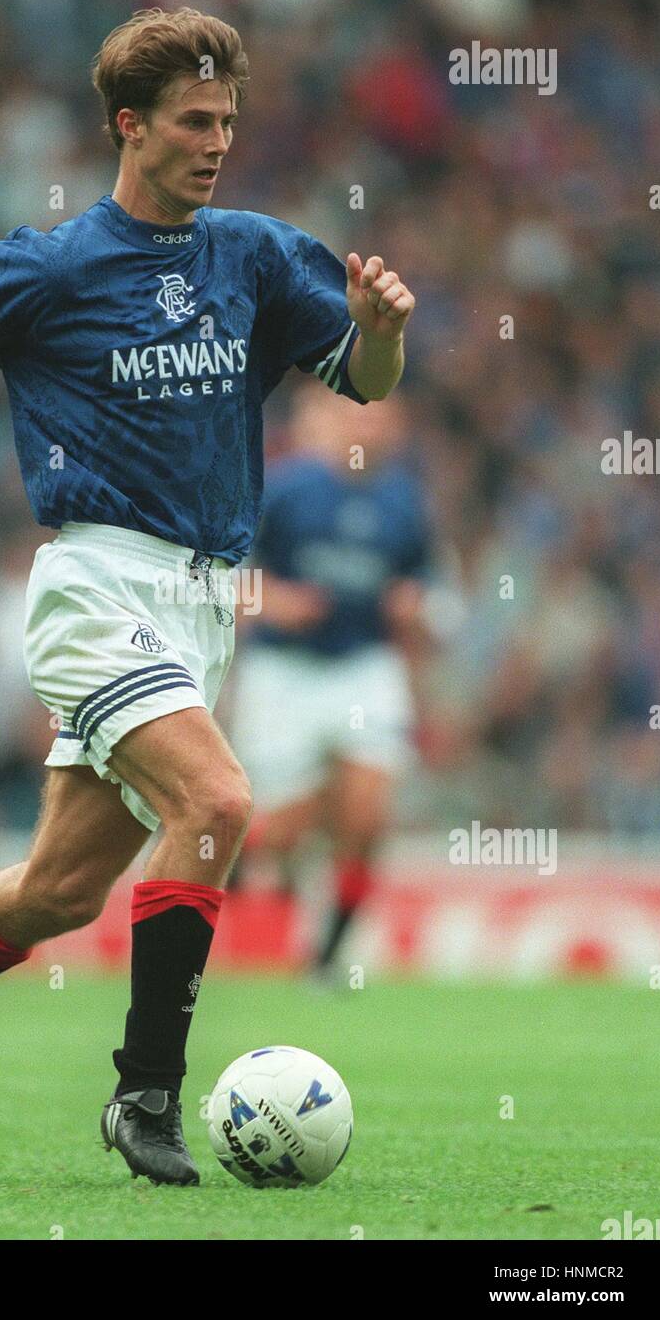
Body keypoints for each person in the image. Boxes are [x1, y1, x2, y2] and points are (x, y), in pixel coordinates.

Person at [0, 7, 415, 1185]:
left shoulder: (258, 255)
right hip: (95, 584)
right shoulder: (51, 264)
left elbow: (363, 383)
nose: (216, 138)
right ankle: (143, 1097)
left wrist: (378, 333)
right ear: (128, 126)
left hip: (200, 605)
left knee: (56, 893)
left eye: (226, 118)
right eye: (193, 119)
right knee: (220, 799)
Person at [230, 385, 434, 980]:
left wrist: (416, 608)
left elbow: (427, 586)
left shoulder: (404, 500)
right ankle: (245, 873)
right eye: (361, 414)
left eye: (387, 418)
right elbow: (220, 576)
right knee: (284, 828)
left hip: (364, 666)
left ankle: (330, 952)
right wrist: (272, 600)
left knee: (368, 815)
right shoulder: (284, 488)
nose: (374, 429)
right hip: (284, 673)